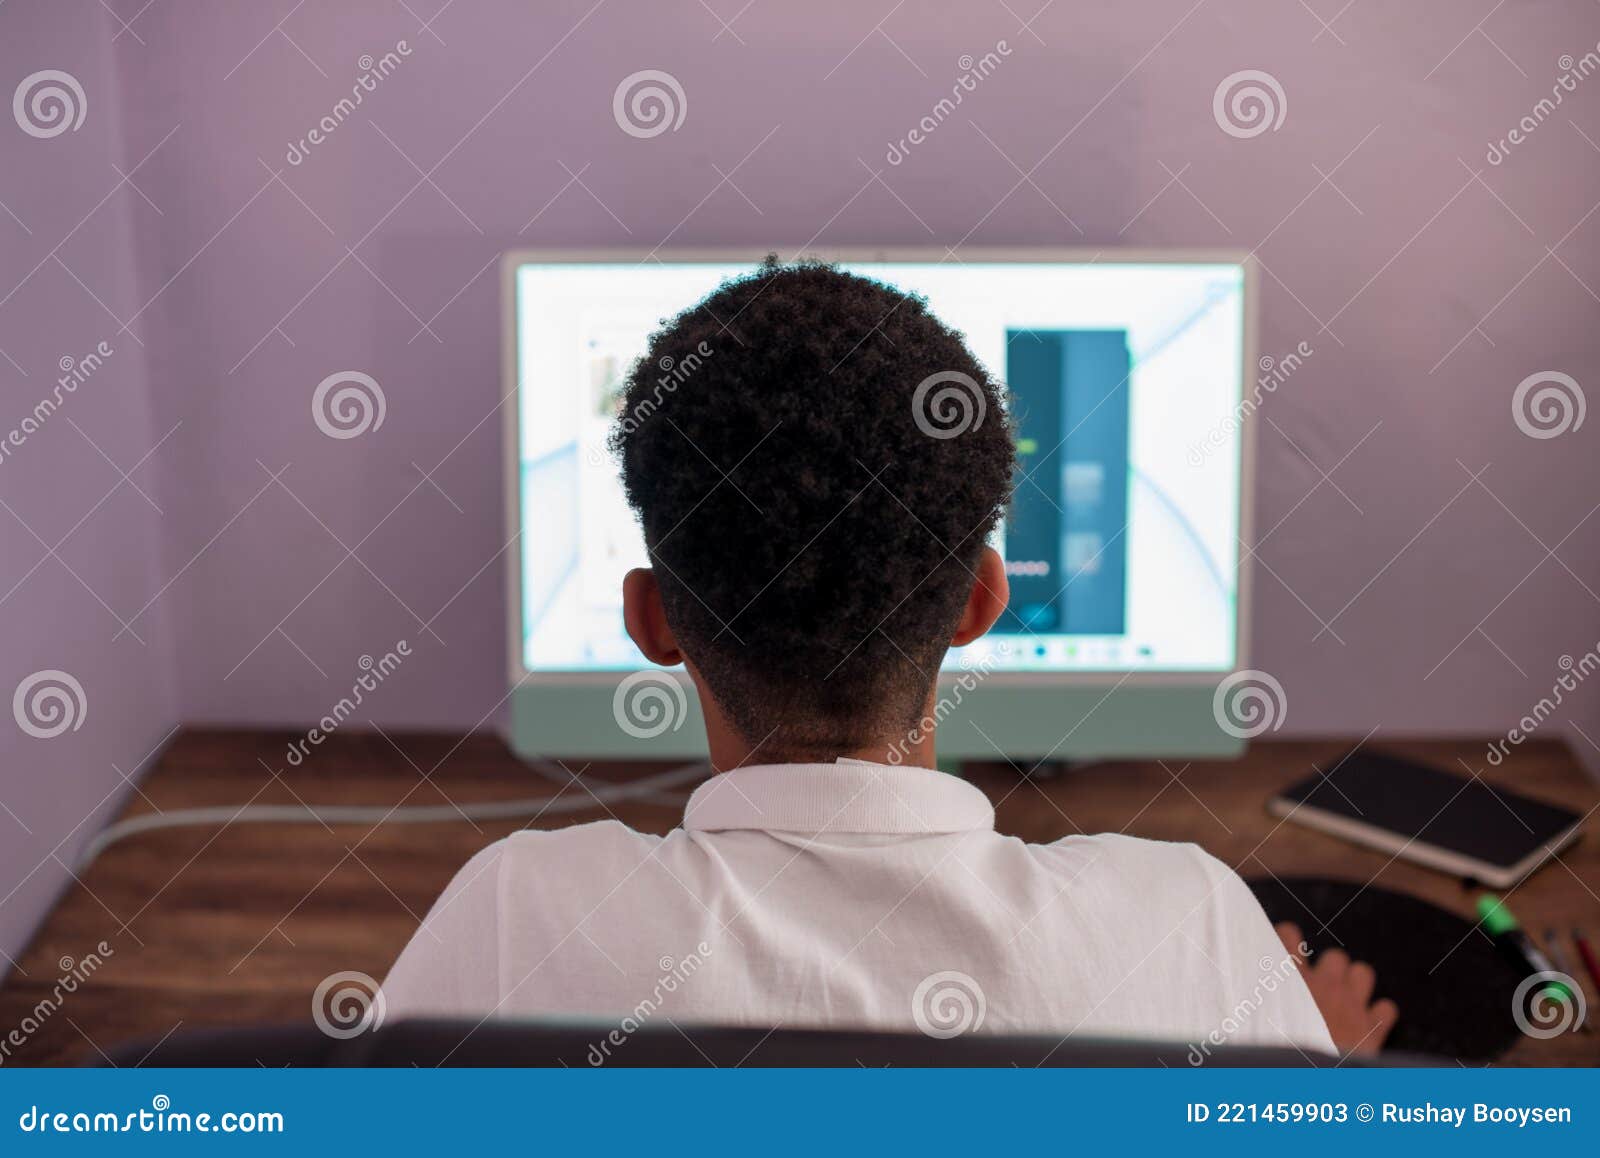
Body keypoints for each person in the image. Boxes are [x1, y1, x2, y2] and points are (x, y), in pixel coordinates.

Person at [382, 258, 1395, 1057]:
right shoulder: (1187, 923)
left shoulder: (517, 918)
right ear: (979, 601)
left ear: (652, 621)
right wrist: (1325, 1089)